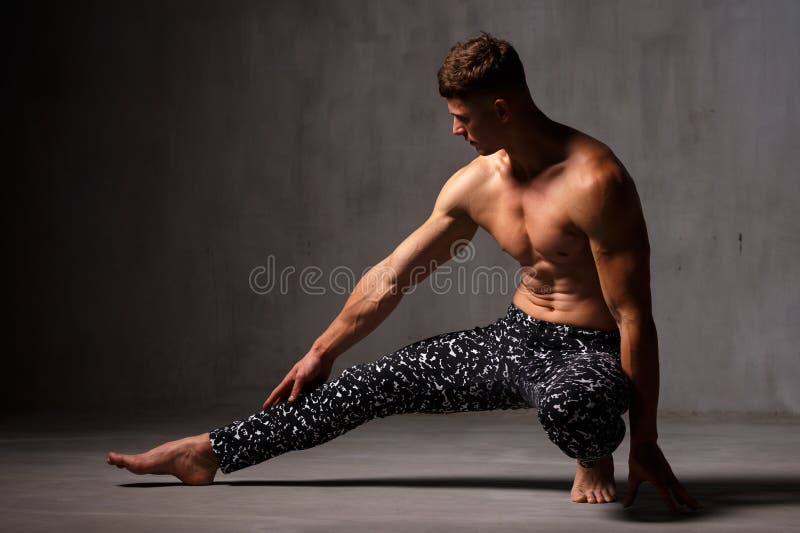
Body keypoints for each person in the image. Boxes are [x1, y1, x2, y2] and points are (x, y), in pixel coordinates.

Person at [108, 32, 701, 512]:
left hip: (589, 349)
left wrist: (643, 439)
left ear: (502, 107)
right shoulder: (476, 184)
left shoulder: (595, 182)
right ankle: (208, 453)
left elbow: (632, 317)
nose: (454, 129)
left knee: (577, 401)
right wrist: (321, 351)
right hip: (517, 336)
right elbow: (392, 274)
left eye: (463, 116)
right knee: (371, 383)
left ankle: (592, 455)